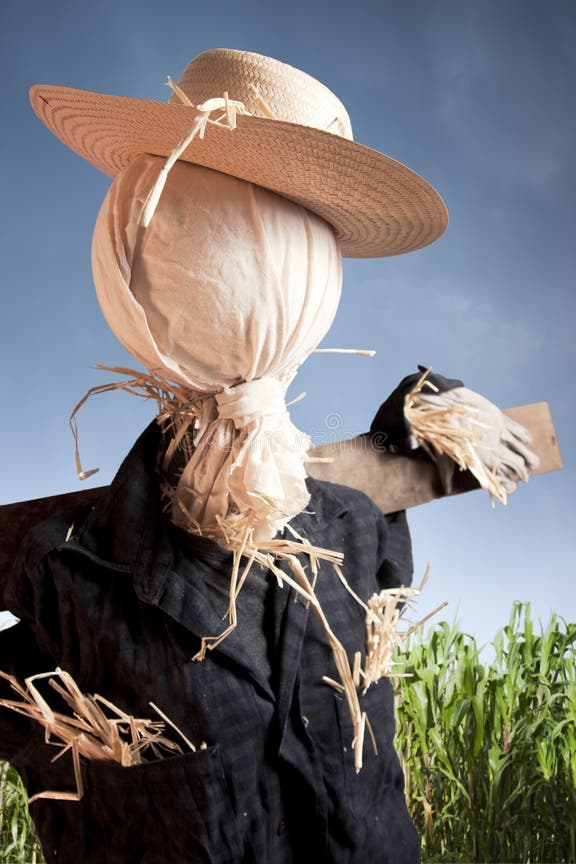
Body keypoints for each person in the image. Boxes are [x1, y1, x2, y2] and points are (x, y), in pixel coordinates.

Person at [0, 48, 537, 863]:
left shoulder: (358, 524)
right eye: (187, 214)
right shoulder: (59, 572)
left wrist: (429, 429)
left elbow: (485, 448)